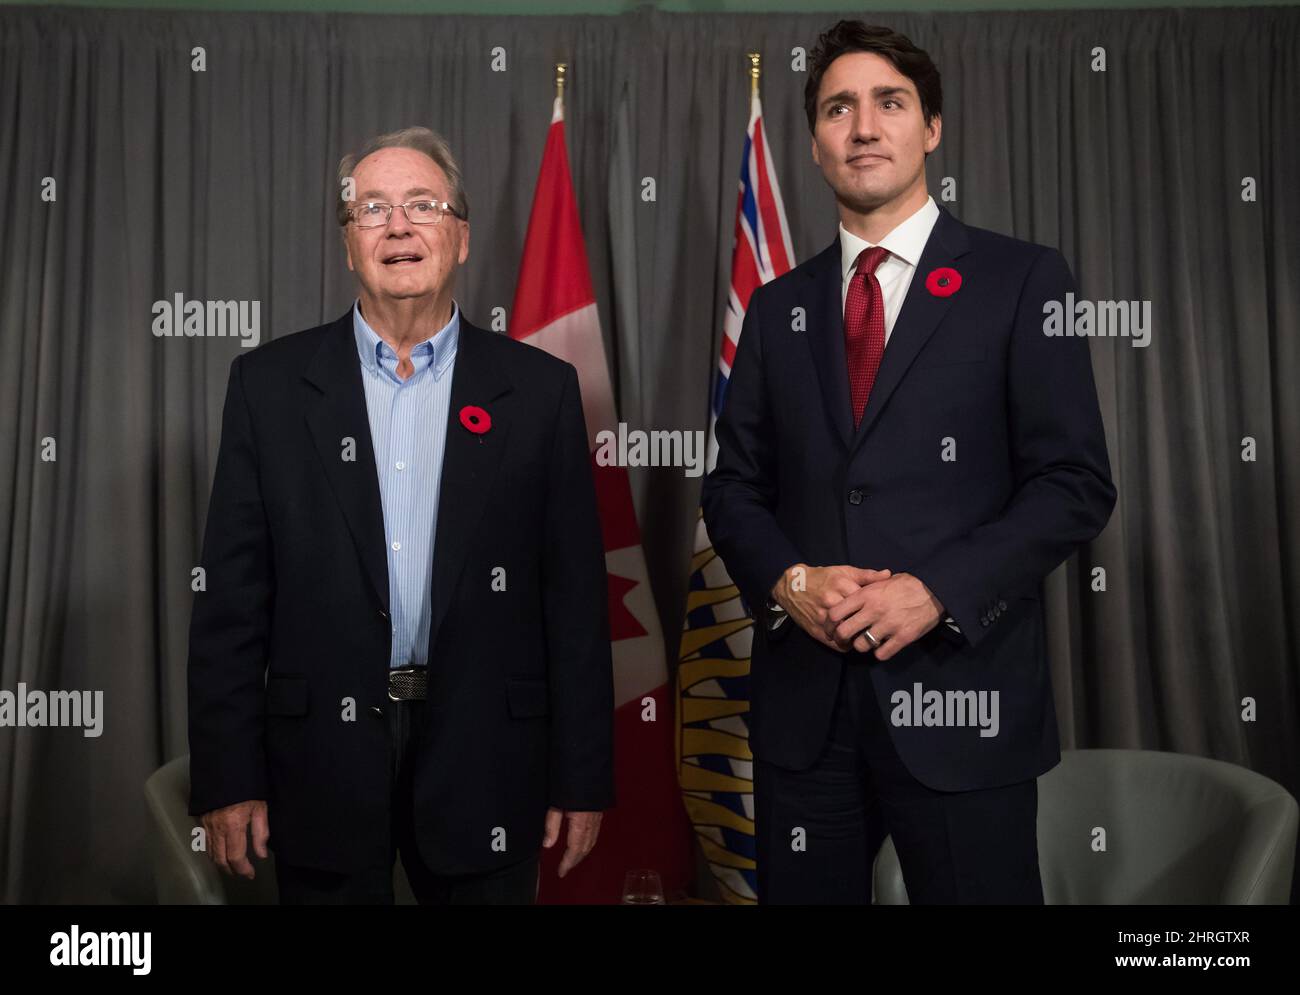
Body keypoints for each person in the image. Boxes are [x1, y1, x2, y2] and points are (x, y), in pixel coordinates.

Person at [701, 21, 1116, 904]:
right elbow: (732, 486)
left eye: (889, 103)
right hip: (805, 716)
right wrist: (788, 580)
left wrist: (934, 590)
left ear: (930, 127)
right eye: (837, 108)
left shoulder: (1022, 280)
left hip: (963, 701)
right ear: (814, 143)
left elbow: (1074, 483)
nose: (862, 126)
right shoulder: (778, 310)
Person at [187, 126, 613, 904]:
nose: (398, 225)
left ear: (460, 236)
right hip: (321, 757)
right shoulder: (268, 387)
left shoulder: (543, 392)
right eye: (372, 208)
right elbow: (230, 606)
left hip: (487, 751)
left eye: (423, 204)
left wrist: (582, 775)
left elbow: (575, 602)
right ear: (349, 245)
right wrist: (227, 775)